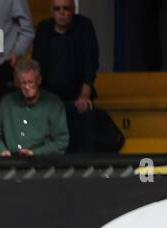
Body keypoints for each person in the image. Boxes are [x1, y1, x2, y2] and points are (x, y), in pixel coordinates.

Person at [32, 0, 99, 153]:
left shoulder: (84, 26)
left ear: (73, 10)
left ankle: (83, 163)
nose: (62, 12)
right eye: (57, 9)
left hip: (77, 93)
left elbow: (91, 63)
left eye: (66, 9)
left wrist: (84, 95)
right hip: (49, 93)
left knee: (84, 113)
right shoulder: (44, 28)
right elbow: (36, 65)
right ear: (51, 11)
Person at [0, 59, 68, 157]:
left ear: (39, 80)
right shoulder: (7, 103)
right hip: (11, 161)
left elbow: (61, 141)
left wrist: (34, 153)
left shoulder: (54, 104)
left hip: (43, 163)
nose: (27, 87)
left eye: (30, 82)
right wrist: (2, 150)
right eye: (23, 83)